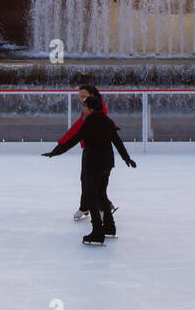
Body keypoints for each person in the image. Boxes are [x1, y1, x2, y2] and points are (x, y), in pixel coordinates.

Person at [42, 95, 136, 246]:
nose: (82, 110)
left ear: (91, 109)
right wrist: (127, 159)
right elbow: (118, 142)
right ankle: (109, 227)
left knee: (92, 196)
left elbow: (73, 140)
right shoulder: (108, 121)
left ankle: (98, 232)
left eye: (84, 107)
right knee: (101, 194)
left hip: (93, 164)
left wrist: (56, 152)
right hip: (107, 164)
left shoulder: (89, 122)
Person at [58, 84, 117, 223]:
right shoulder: (89, 106)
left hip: (96, 152)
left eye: (84, 96)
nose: (82, 99)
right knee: (87, 180)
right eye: (80, 97)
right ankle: (89, 207)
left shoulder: (95, 108)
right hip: (91, 150)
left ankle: (103, 208)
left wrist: (62, 142)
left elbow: (79, 127)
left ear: (92, 94)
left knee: (94, 183)